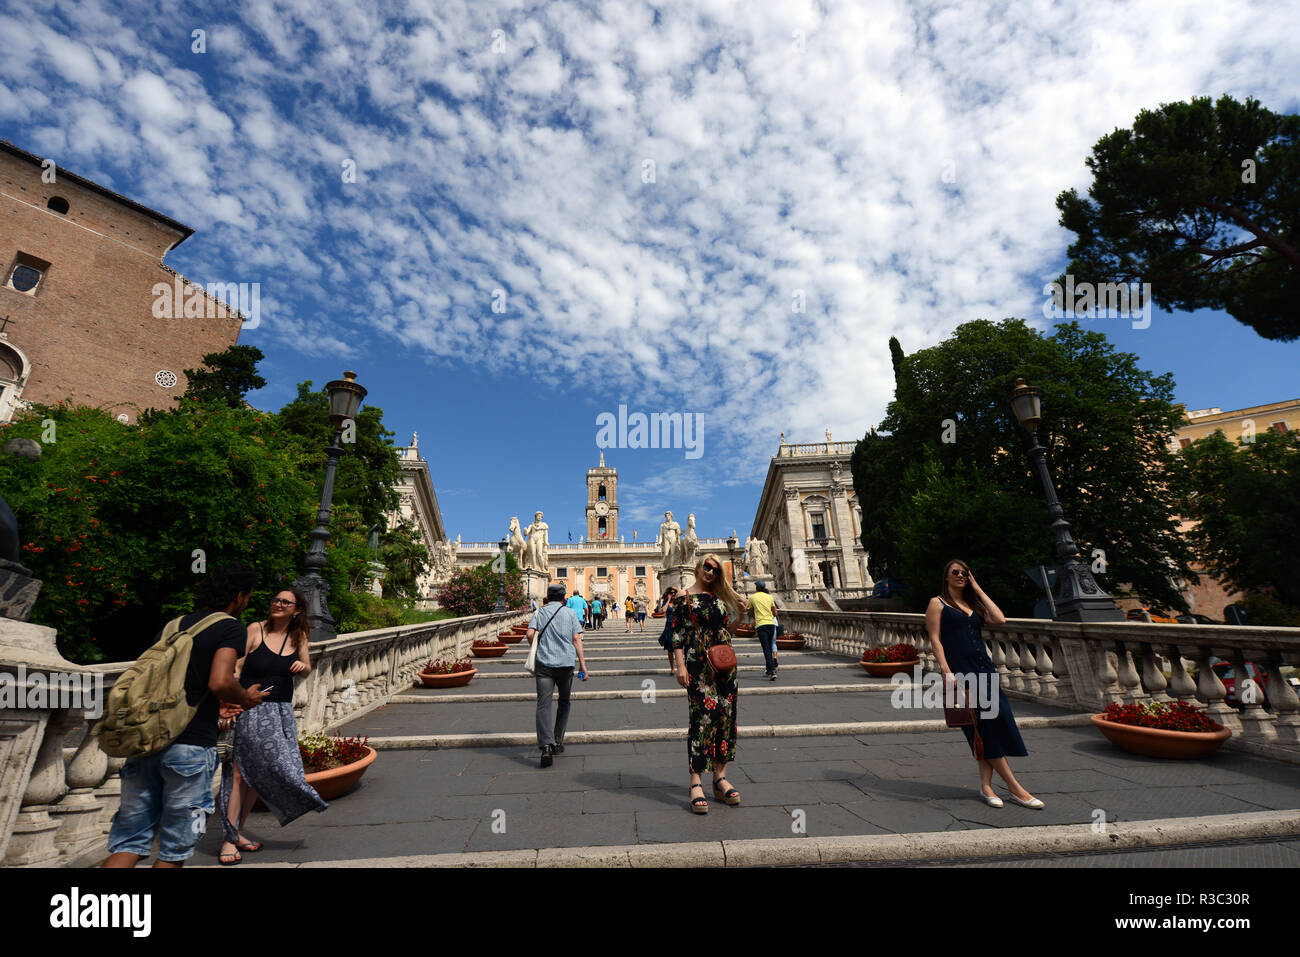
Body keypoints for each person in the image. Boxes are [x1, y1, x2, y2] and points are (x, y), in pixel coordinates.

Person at [104, 563, 270, 868]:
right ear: (240, 595)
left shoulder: (173, 625)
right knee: (174, 849)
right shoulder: (230, 627)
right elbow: (219, 681)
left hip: (148, 739)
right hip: (190, 745)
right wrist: (246, 698)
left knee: (129, 842)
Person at [216, 587, 328, 865]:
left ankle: (237, 833)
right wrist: (228, 705)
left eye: (285, 602)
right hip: (249, 709)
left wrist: (302, 668)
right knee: (240, 774)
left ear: (297, 610)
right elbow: (235, 670)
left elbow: (307, 665)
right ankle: (228, 840)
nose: (278, 604)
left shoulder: (299, 635)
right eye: (275, 599)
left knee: (259, 775)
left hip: (280, 712)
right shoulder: (255, 629)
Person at [927, 559, 1043, 809]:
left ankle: (986, 787)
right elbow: (935, 640)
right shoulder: (937, 603)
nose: (960, 576)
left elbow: (999, 619)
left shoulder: (973, 603)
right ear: (946, 577)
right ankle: (1016, 788)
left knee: (991, 726)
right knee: (982, 728)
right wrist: (946, 671)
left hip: (985, 670)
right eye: (955, 572)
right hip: (961, 673)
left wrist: (977, 588)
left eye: (964, 573)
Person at [671, 554, 749, 814]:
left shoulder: (719, 598)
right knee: (702, 718)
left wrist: (742, 613)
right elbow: (677, 634)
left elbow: (730, 630)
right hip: (698, 664)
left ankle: (720, 776)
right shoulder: (683, 597)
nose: (710, 572)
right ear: (697, 567)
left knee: (726, 716)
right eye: (707, 566)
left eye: (716, 570)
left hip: (724, 664)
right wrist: (680, 666)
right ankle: (696, 781)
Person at [528, 583, 588, 767]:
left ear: (547, 597)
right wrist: (583, 666)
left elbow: (530, 634)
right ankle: (558, 741)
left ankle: (546, 745)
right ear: (564, 598)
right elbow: (577, 638)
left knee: (543, 704)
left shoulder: (538, 613)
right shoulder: (569, 614)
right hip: (565, 664)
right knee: (564, 702)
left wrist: (536, 648)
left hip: (544, 664)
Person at [748, 581, 779, 680]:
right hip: (771, 624)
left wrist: (757, 617)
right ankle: (768, 669)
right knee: (770, 646)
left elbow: (751, 612)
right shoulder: (770, 597)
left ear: (756, 588)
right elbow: (775, 612)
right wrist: (769, 616)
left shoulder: (752, 598)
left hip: (761, 625)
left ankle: (773, 670)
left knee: (766, 648)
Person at [655, 586, 679, 669]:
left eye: (674, 593)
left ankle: (679, 666)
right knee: (670, 648)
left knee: (678, 647)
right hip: (669, 625)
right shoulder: (666, 602)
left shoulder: (678, 602)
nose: (673, 594)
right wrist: (668, 600)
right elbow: (663, 610)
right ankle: (672, 667)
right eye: (671, 593)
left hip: (677, 625)